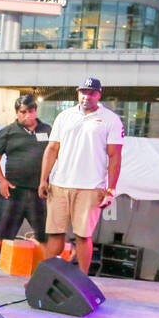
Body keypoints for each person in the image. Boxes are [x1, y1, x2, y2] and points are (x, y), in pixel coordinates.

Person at [38, 78, 124, 276]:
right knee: (54, 234)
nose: (86, 96)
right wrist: (44, 179)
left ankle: (83, 280)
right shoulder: (64, 116)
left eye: (91, 92)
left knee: (83, 236)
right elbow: (52, 148)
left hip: (90, 187)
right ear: (78, 93)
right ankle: (44, 276)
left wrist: (111, 188)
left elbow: (115, 156)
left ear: (99, 94)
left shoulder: (110, 119)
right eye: (83, 92)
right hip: (59, 184)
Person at [0, 96, 53, 279]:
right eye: (23, 112)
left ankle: (51, 272)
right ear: (17, 113)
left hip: (38, 191)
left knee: (45, 232)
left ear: (35, 111)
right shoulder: (7, 132)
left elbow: (56, 153)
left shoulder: (48, 131)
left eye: (31, 111)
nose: (27, 115)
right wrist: (1, 180)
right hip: (12, 190)